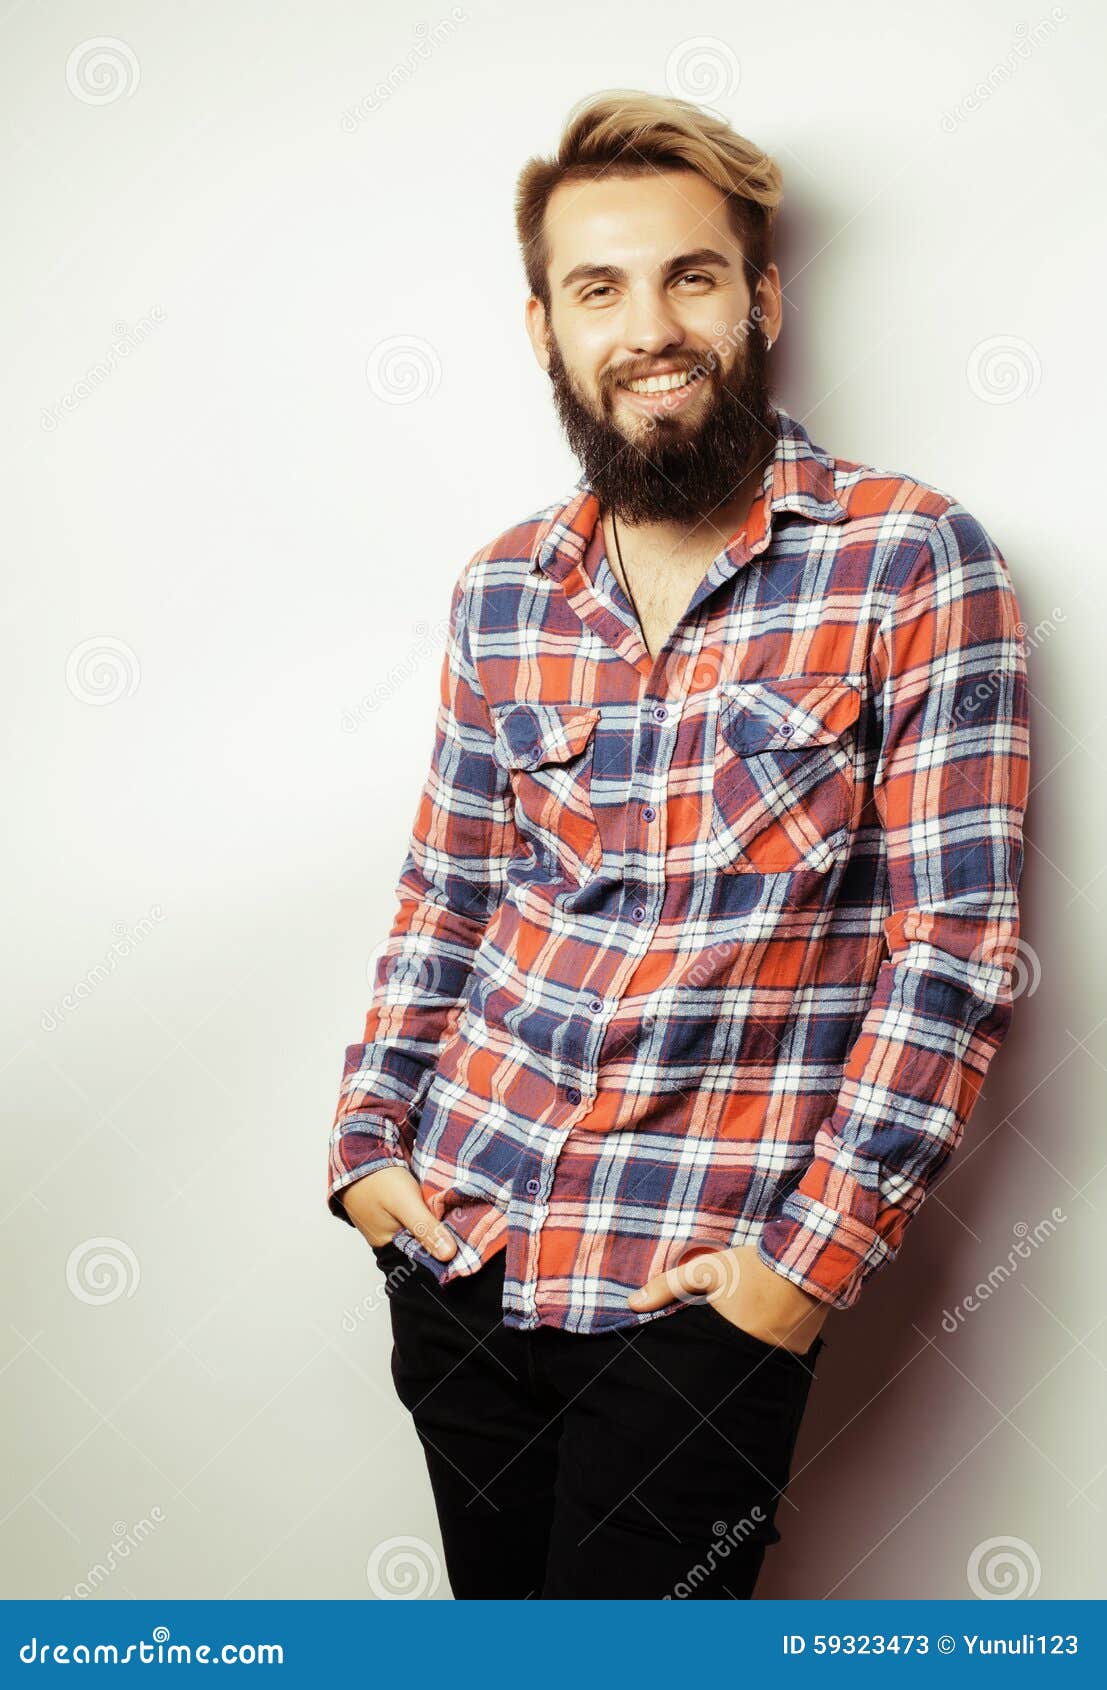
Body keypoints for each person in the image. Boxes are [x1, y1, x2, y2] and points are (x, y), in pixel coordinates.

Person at [326, 89, 1031, 1599]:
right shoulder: (504, 587)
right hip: (465, 1246)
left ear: (761, 299)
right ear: (545, 328)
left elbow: (954, 955)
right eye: (600, 287)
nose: (649, 325)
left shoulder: (911, 559)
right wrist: (365, 1149)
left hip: (695, 1290)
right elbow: (448, 891)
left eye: (691, 276)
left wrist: (797, 1274)